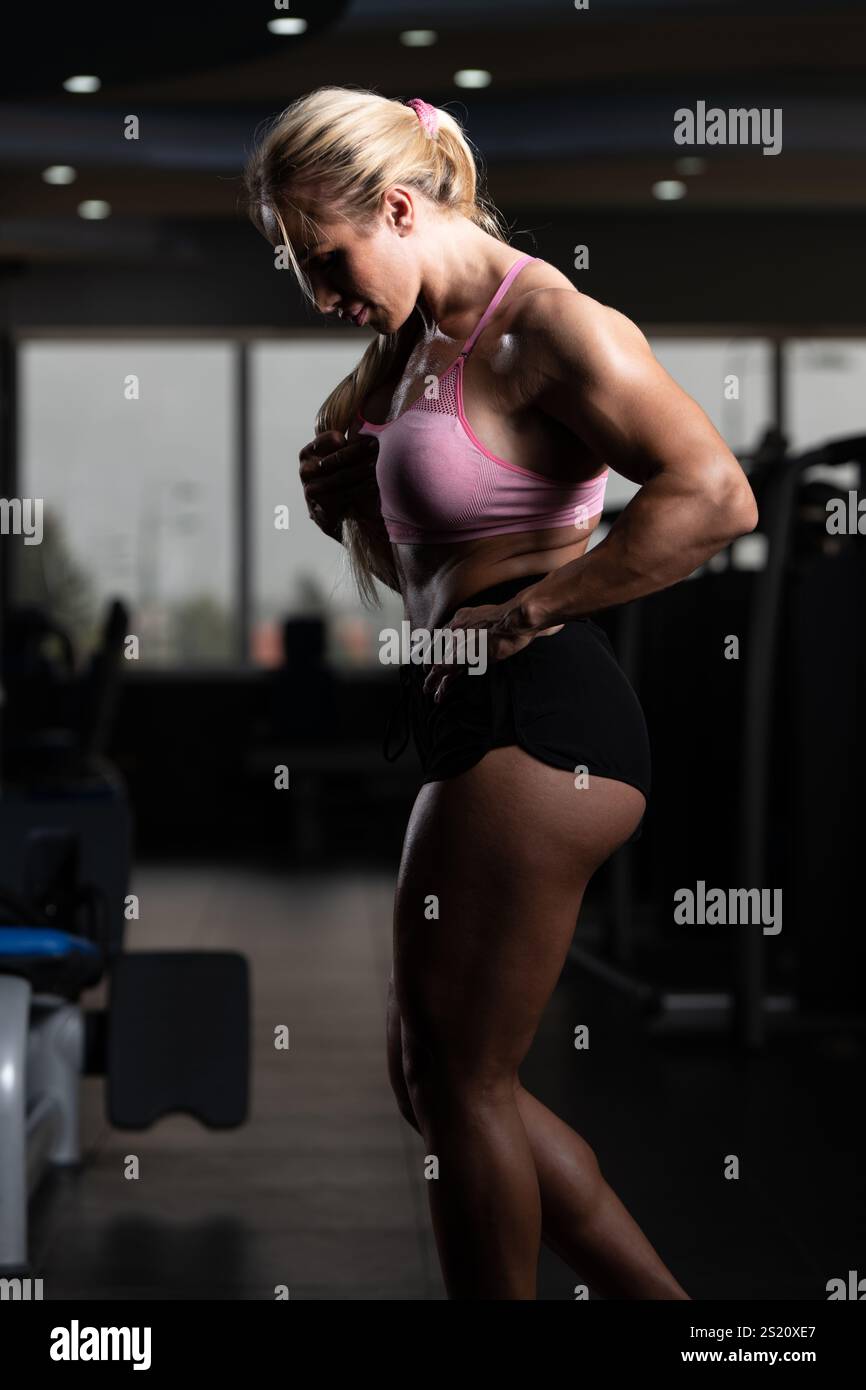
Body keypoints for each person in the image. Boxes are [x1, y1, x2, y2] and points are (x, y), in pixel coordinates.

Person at [244, 87, 758, 1300]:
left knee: (456, 1082)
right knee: (440, 1083)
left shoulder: (553, 327)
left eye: (329, 260)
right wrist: (354, 498)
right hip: (477, 719)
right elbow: (446, 545)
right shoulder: (425, 343)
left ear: (400, 204)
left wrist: (535, 608)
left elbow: (713, 496)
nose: (324, 298)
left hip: (544, 721)